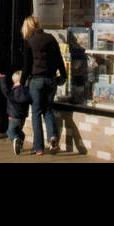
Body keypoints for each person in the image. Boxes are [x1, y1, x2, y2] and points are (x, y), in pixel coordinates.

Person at [21, 15, 66, 155]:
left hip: (37, 80)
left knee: (36, 112)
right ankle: (53, 138)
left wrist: (22, 82)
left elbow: (27, 65)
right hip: (51, 79)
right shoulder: (51, 38)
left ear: (28, 27)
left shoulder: (29, 41)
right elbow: (59, 59)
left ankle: (38, 147)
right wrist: (63, 76)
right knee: (48, 110)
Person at [0, 70, 31, 155]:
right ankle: (20, 143)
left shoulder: (12, 92)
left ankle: (16, 140)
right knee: (19, 131)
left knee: (10, 132)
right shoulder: (26, 91)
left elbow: (4, 90)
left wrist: (2, 79)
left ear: (14, 81)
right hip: (22, 117)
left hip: (13, 116)